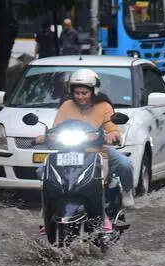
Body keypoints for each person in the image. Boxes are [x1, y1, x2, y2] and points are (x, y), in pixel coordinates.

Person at [37, 70, 136, 216]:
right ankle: (48, 204)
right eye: (77, 93)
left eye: (84, 93)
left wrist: (112, 135)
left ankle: (127, 192)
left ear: (93, 91)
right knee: (42, 170)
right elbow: (56, 128)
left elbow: (112, 128)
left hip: (97, 150)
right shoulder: (66, 105)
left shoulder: (104, 106)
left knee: (125, 164)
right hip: (68, 150)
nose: (80, 96)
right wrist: (45, 136)